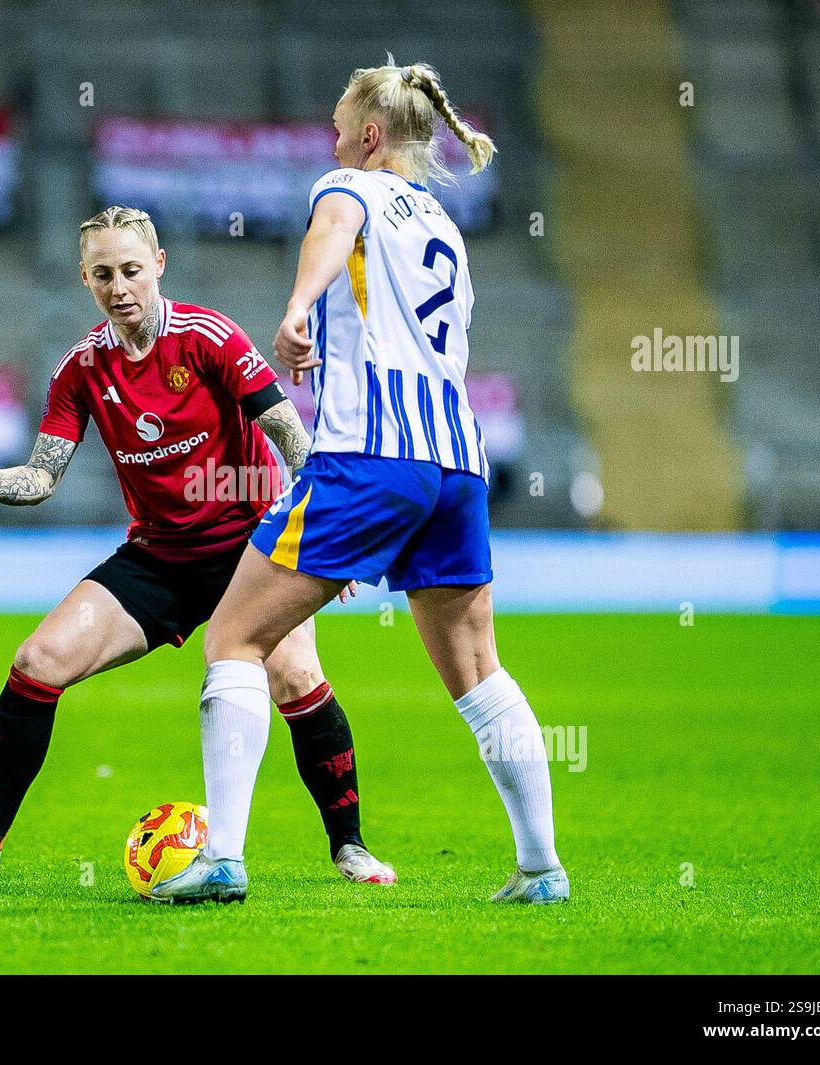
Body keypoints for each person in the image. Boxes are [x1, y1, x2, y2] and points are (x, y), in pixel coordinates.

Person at [152, 59, 568, 905]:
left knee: (233, 637)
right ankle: (541, 868)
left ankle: (225, 858)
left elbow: (332, 226)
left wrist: (299, 305)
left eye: (341, 123)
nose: (333, 136)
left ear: (369, 136)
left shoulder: (351, 185)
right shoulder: (446, 229)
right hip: (456, 462)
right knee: (481, 670)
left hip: (372, 453)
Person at [0, 205, 395, 887]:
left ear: (157, 265)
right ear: (85, 278)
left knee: (295, 677)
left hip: (250, 551)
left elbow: (291, 439)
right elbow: (43, 475)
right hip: (160, 556)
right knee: (38, 658)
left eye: (132, 269)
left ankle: (350, 847)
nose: (119, 286)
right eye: (103, 274)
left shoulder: (210, 338)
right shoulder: (81, 369)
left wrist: (325, 534)